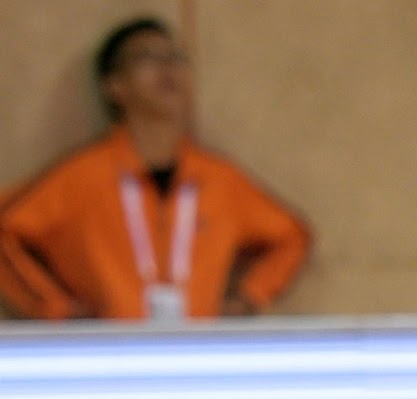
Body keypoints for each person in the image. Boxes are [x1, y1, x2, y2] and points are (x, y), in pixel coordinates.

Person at [0, 17, 311, 321]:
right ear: (114, 86)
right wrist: (53, 307)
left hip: (198, 356)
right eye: (146, 57)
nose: (167, 68)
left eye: (176, 57)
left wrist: (251, 296)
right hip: (110, 358)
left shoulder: (219, 179)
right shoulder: (81, 177)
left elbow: (292, 236)